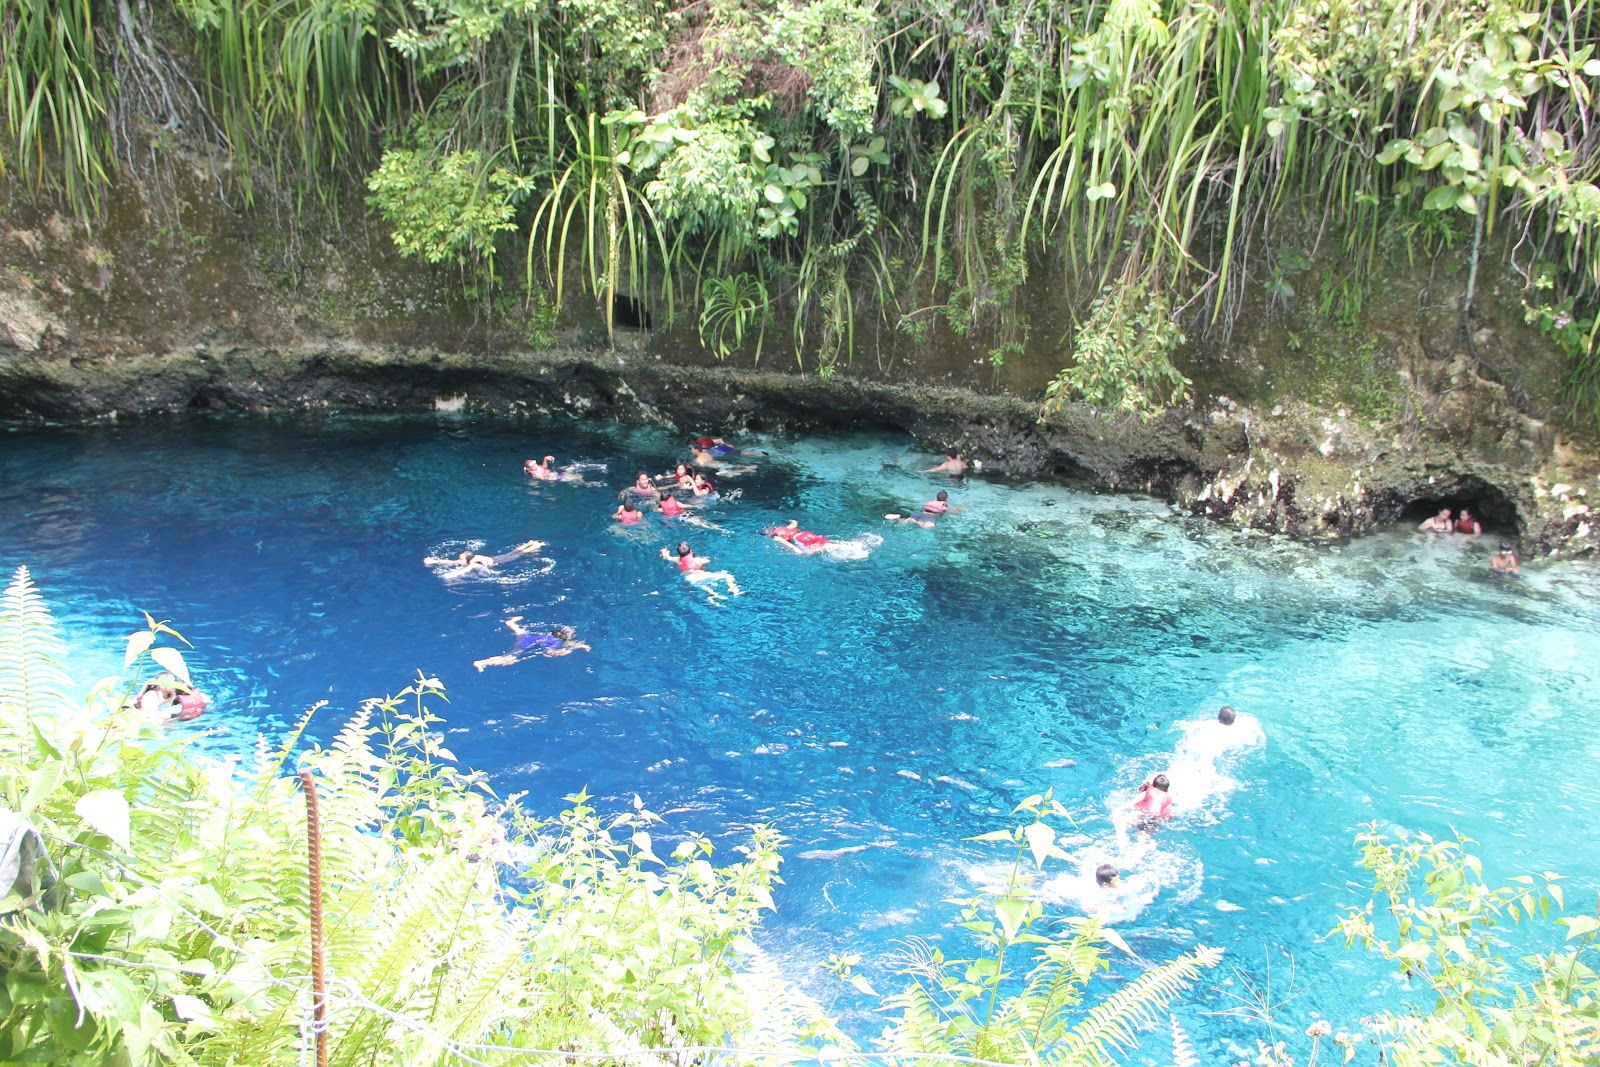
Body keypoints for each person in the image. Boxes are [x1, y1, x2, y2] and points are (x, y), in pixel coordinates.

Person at [474, 617, 589, 670]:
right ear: (567, 637)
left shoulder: (553, 635)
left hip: (526, 638)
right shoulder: (557, 643)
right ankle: (482, 662)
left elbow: (568, 643)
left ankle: (510, 622)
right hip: (523, 646)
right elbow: (548, 653)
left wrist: (582, 646)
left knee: (520, 631)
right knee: (510, 658)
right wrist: (562, 653)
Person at [661, 541, 743, 600]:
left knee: (707, 589)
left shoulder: (678, 559)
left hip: (690, 579)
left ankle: (715, 596)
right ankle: (733, 588)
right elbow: (708, 561)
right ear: (690, 551)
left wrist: (664, 552)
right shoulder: (697, 560)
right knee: (728, 576)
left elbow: (667, 557)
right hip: (701, 576)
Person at [424, 541, 544, 572]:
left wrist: (453, 575)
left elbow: (465, 570)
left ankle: (535, 545)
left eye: (461, 558)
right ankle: (529, 543)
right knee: (512, 552)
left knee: (518, 554)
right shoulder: (470, 559)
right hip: (496, 558)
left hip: (499, 561)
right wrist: (434, 561)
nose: (459, 560)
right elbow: (450, 562)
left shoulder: (474, 563)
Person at [887, 489, 963, 525]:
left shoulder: (931, 502)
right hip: (929, 517)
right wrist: (959, 509)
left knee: (904, 521)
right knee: (929, 527)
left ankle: (899, 518)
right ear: (946, 500)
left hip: (919, 513)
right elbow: (954, 512)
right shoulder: (944, 505)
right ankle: (915, 521)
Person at [764, 519, 831, 553]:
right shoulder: (786, 527)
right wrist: (791, 520)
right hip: (806, 533)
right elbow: (795, 522)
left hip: (800, 539)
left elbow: (785, 543)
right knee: (827, 543)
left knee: (809, 552)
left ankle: (823, 548)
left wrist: (796, 549)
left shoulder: (775, 536)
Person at [525, 456, 589, 484]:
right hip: (556, 477)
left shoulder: (537, 467)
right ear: (529, 468)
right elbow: (542, 478)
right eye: (532, 466)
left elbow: (543, 467)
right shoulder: (535, 473)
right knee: (578, 478)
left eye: (535, 463)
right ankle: (591, 484)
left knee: (577, 476)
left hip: (557, 474)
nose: (535, 465)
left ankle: (587, 483)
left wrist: (545, 459)